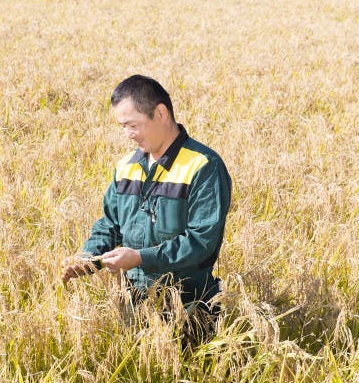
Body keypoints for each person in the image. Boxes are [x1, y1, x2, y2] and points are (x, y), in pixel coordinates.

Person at [62, 75, 232, 335]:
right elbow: (111, 224)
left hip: (189, 307)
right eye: (123, 126)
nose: (128, 135)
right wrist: (87, 259)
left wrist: (141, 258)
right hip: (133, 304)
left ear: (161, 113)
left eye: (133, 125)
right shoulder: (127, 166)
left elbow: (201, 241)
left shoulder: (203, 166)